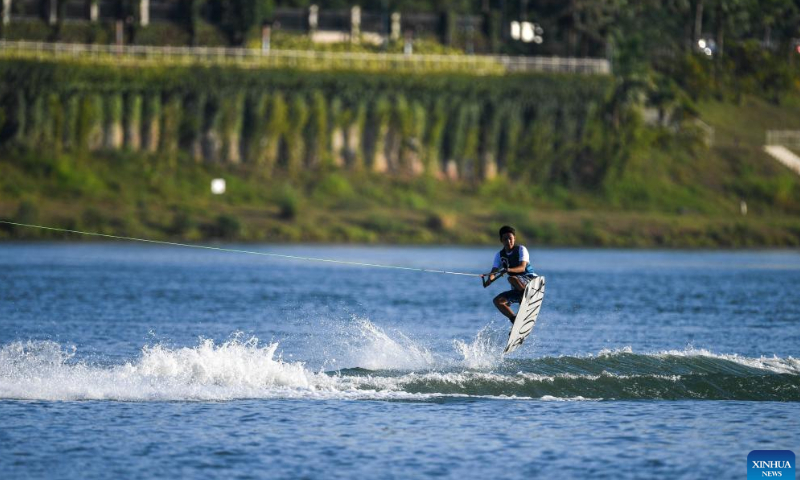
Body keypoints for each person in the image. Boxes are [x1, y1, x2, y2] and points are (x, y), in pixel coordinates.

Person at [485, 225, 537, 323]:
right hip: (517, 288)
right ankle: (514, 320)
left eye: (510, 238)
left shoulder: (521, 249)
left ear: (514, 238)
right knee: (497, 301)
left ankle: (525, 298)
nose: (508, 241)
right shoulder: (499, 255)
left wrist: (509, 269)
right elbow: (494, 272)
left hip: (529, 281)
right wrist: (489, 280)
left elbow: (522, 267)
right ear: (501, 240)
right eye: (505, 239)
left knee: (511, 279)